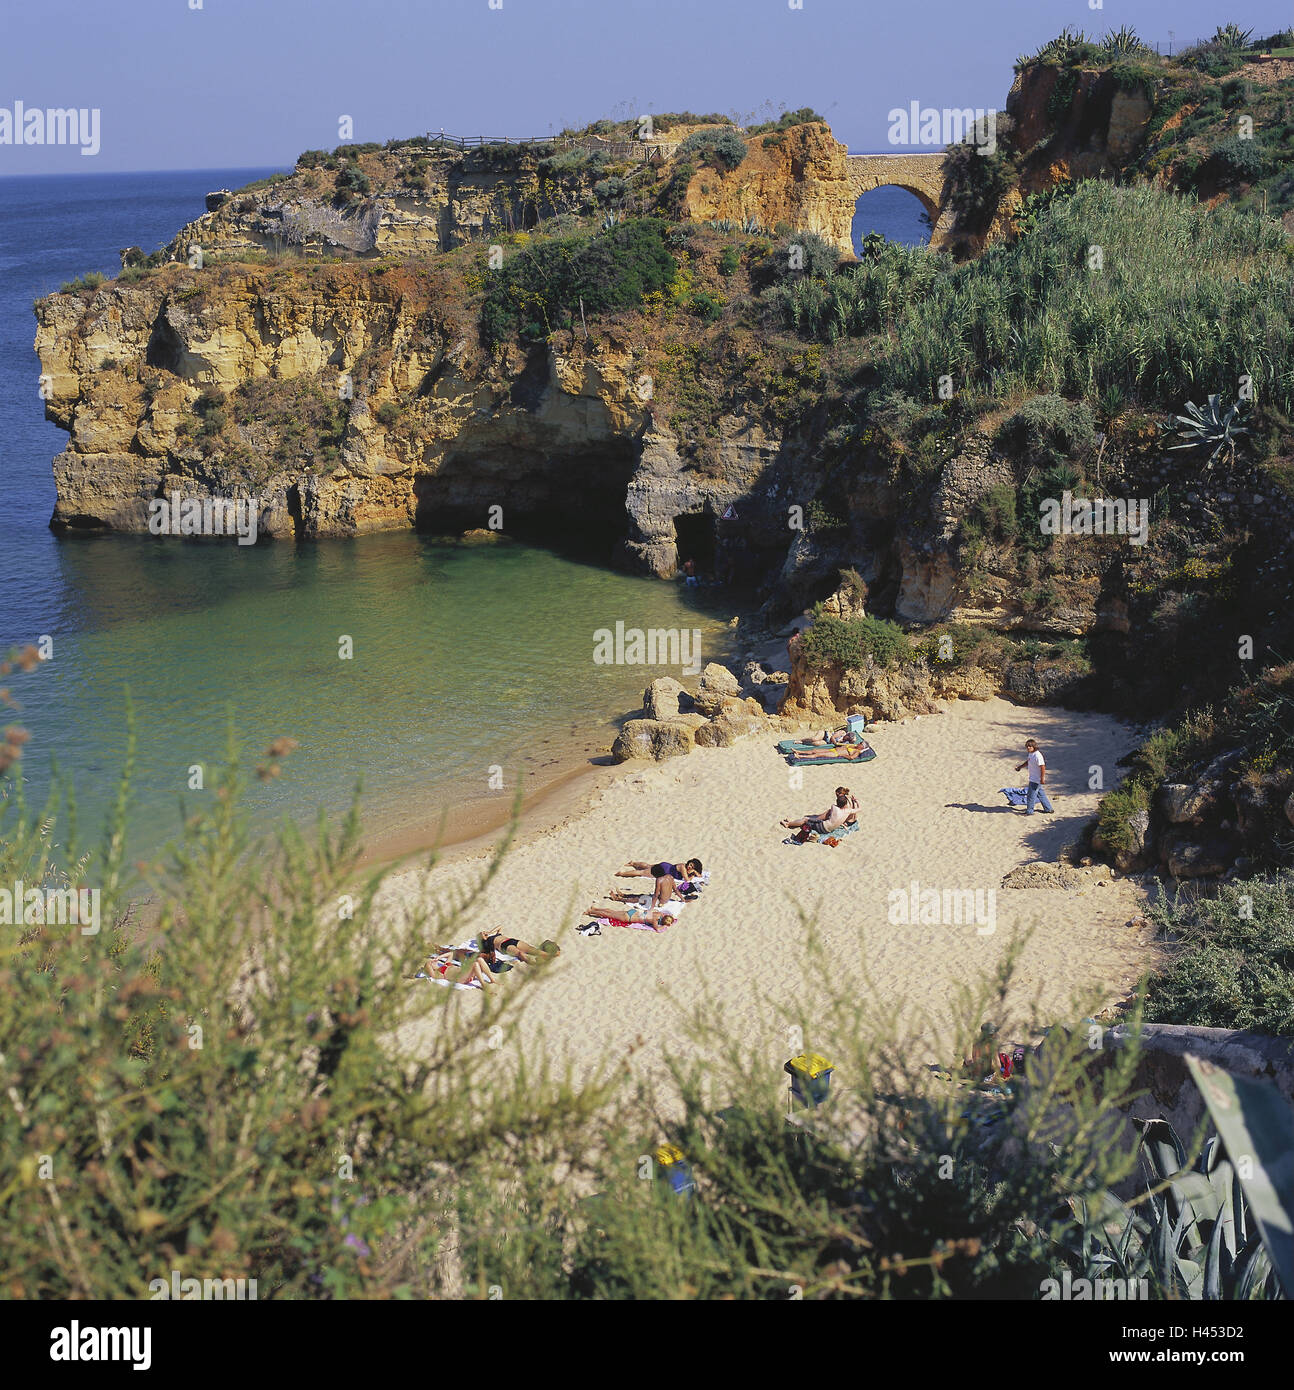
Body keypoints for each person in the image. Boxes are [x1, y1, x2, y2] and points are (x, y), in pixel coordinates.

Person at [781, 787, 858, 842]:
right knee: (814, 818)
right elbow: (852, 812)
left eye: (837, 795)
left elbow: (842, 815)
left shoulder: (838, 806)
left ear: (839, 795)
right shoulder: (846, 804)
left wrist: (844, 823)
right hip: (837, 824)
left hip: (826, 827)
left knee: (806, 819)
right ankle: (796, 821)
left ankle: (788, 824)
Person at [1015, 739, 1054, 815]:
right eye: (1027, 746)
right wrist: (1020, 767)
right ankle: (1048, 809)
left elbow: (1042, 767)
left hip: (1036, 779)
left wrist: (1042, 778)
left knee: (1030, 796)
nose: (1028, 748)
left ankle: (1029, 811)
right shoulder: (1031, 754)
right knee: (1041, 794)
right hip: (1033, 778)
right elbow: (1028, 761)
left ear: (1034, 746)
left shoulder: (1037, 755)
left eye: (1030, 746)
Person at [615, 857, 703, 882]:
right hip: (663, 870)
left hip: (665, 865)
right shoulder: (683, 868)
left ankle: (633, 863)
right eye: (690, 865)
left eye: (692, 867)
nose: (690, 867)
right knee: (641, 872)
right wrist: (693, 873)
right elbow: (687, 880)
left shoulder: (685, 867)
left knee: (648, 866)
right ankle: (622, 874)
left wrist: (695, 872)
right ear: (689, 862)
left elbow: (700, 875)